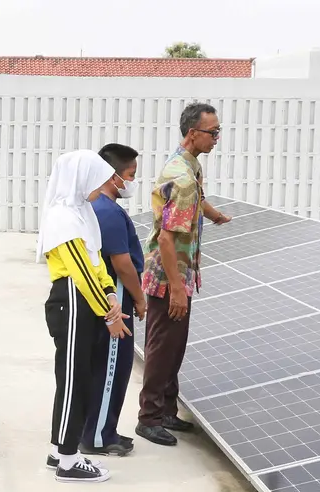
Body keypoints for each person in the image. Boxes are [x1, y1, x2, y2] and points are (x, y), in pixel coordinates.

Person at [136, 103, 231, 447]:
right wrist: (176, 289)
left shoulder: (190, 168)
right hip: (168, 275)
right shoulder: (183, 177)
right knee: (163, 346)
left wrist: (215, 215)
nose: (217, 138)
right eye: (213, 132)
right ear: (194, 134)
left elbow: (197, 201)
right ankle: (148, 417)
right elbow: (165, 237)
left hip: (180, 272)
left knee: (174, 346)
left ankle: (166, 411)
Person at [39, 150, 131, 483]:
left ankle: (58, 451)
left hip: (86, 300)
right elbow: (80, 272)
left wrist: (110, 292)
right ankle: (67, 459)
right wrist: (111, 316)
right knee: (74, 380)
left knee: (77, 378)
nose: (104, 186)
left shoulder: (81, 213)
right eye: (99, 179)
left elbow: (96, 265)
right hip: (74, 302)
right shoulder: (63, 217)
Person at [80, 144, 147, 457]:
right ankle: (97, 437)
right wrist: (140, 298)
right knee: (111, 368)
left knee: (103, 368)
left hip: (107, 298)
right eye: (130, 175)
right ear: (113, 176)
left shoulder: (94, 206)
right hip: (116, 296)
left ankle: (100, 429)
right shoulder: (107, 211)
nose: (132, 182)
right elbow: (121, 263)